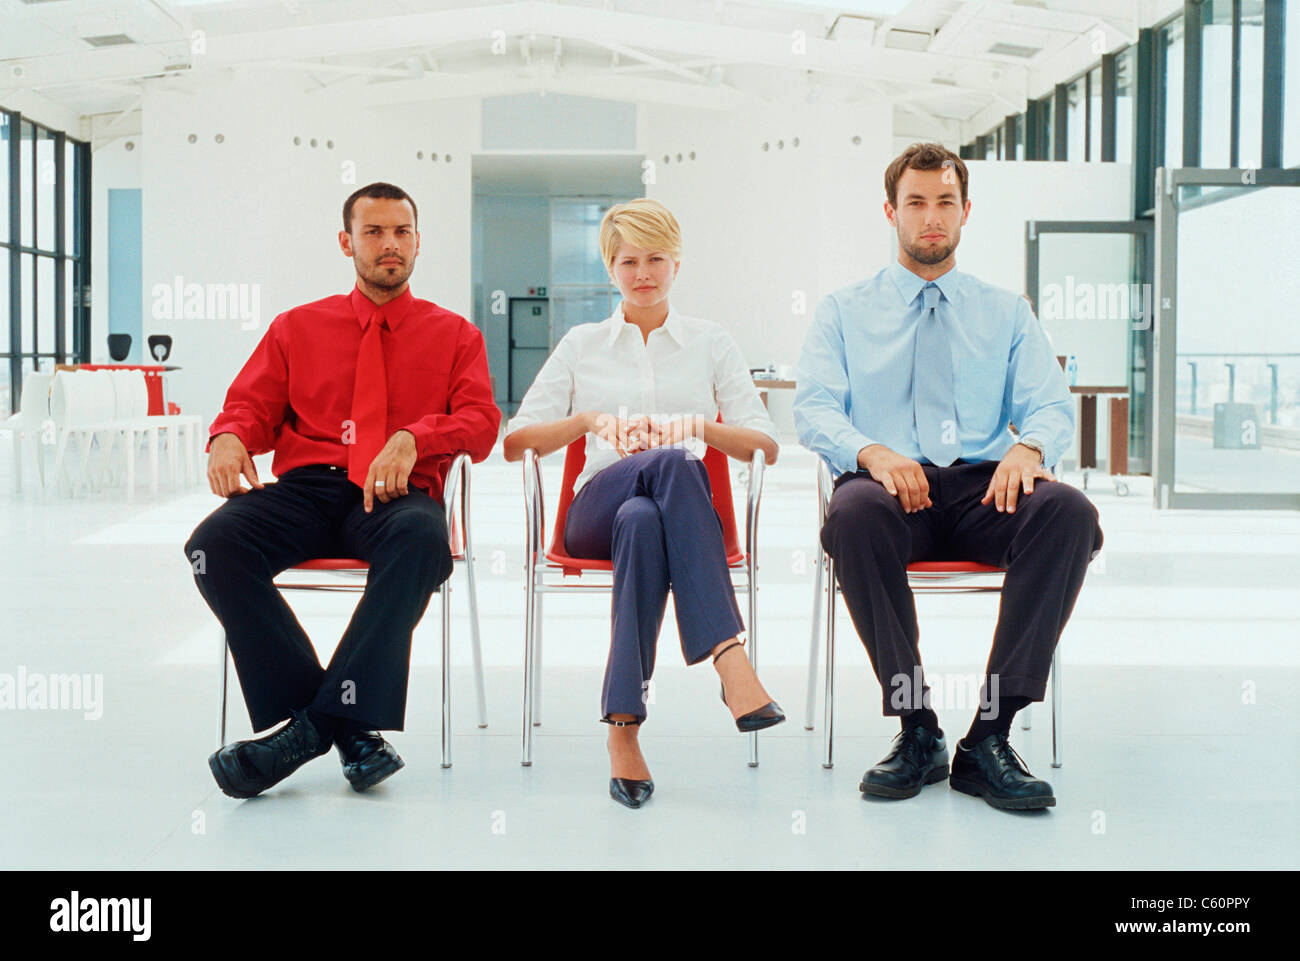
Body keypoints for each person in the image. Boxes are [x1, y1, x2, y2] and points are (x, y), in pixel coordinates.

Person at [793, 143, 1103, 812]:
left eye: (945, 202)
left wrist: (1031, 449)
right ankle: (918, 728)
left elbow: (1048, 404)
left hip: (981, 486)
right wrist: (872, 452)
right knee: (852, 516)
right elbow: (813, 408)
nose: (931, 216)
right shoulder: (843, 311)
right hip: (886, 485)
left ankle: (989, 736)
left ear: (965, 212)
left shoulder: (1005, 312)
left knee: (1070, 513)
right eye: (916, 202)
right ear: (890, 212)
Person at [185, 182, 500, 799]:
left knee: (422, 539)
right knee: (214, 544)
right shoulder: (297, 327)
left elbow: (483, 422)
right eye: (374, 232)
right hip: (308, 487)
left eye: (402, 232)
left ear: (418, 242)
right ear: (346, 242)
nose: (390, 245)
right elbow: (250, 405)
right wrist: (227, 437)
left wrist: (415, 435)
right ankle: (342, 725)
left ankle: (305, 733)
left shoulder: (456, 335)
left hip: (395, 493)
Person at [503, 198, 785, 809]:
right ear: (610, 268)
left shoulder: (711, 342)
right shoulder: (582, 344)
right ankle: (729, 656)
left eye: (656, 258)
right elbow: (515, 441)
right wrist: (589, 422)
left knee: (646, 515)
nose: (643, 273)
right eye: (628, 261)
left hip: (657, 521)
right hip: (591, 516)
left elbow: (764, 443)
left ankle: (623, 728)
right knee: (669, 467)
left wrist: (697, 426)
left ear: (677, 263)